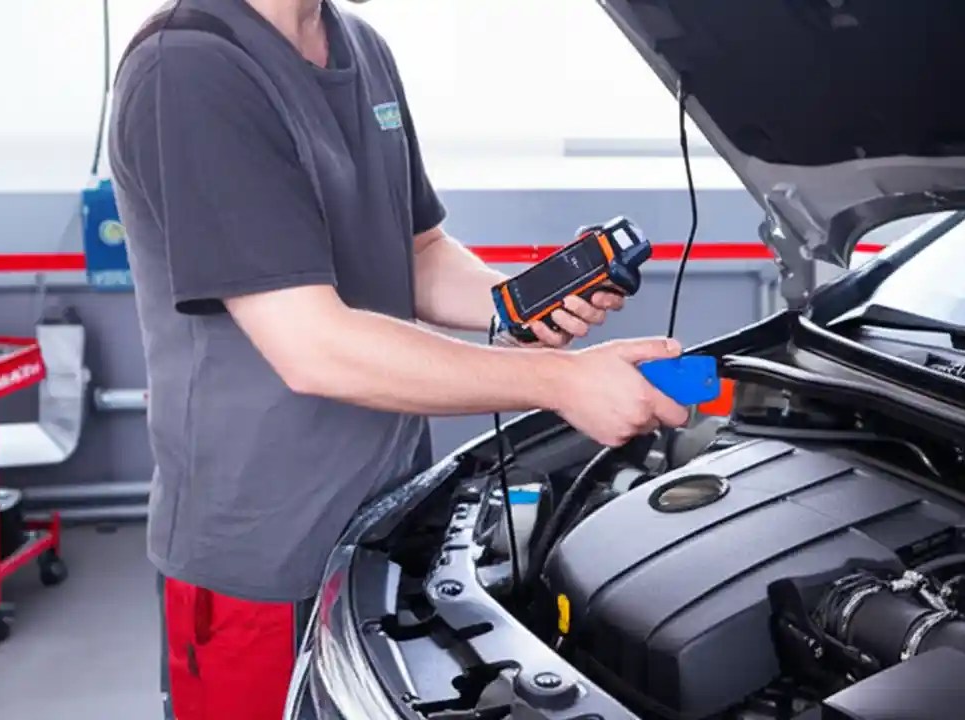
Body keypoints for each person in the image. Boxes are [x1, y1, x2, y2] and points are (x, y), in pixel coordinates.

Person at [107, 0, 689, 718]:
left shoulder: (360, 45)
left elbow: (419, 253)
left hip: (389, 522)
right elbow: (312, 348)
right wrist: (560, 382)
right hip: (262, 557)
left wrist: (515, 304)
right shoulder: (188, 70)